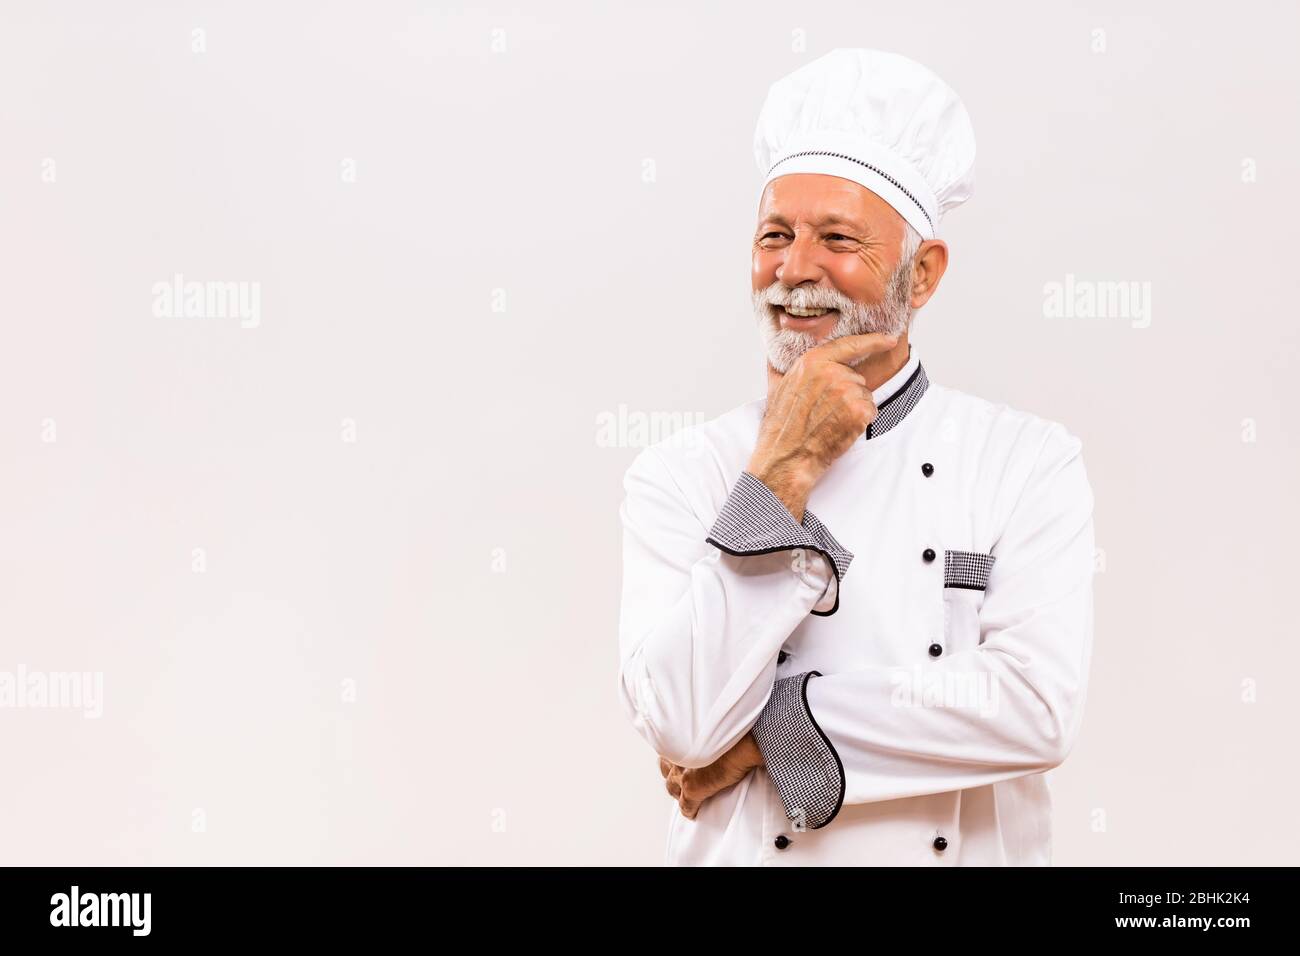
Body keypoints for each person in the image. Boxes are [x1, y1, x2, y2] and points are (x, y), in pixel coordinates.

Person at [616, 48, 1095, 865]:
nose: (794, 269)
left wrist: (770, 730)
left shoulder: (1027, 462)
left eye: (838, 237)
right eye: (775, 235)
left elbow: (1035, 709)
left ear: (923, 275)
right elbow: (685, 723)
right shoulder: (678, 475)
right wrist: (779, 474)